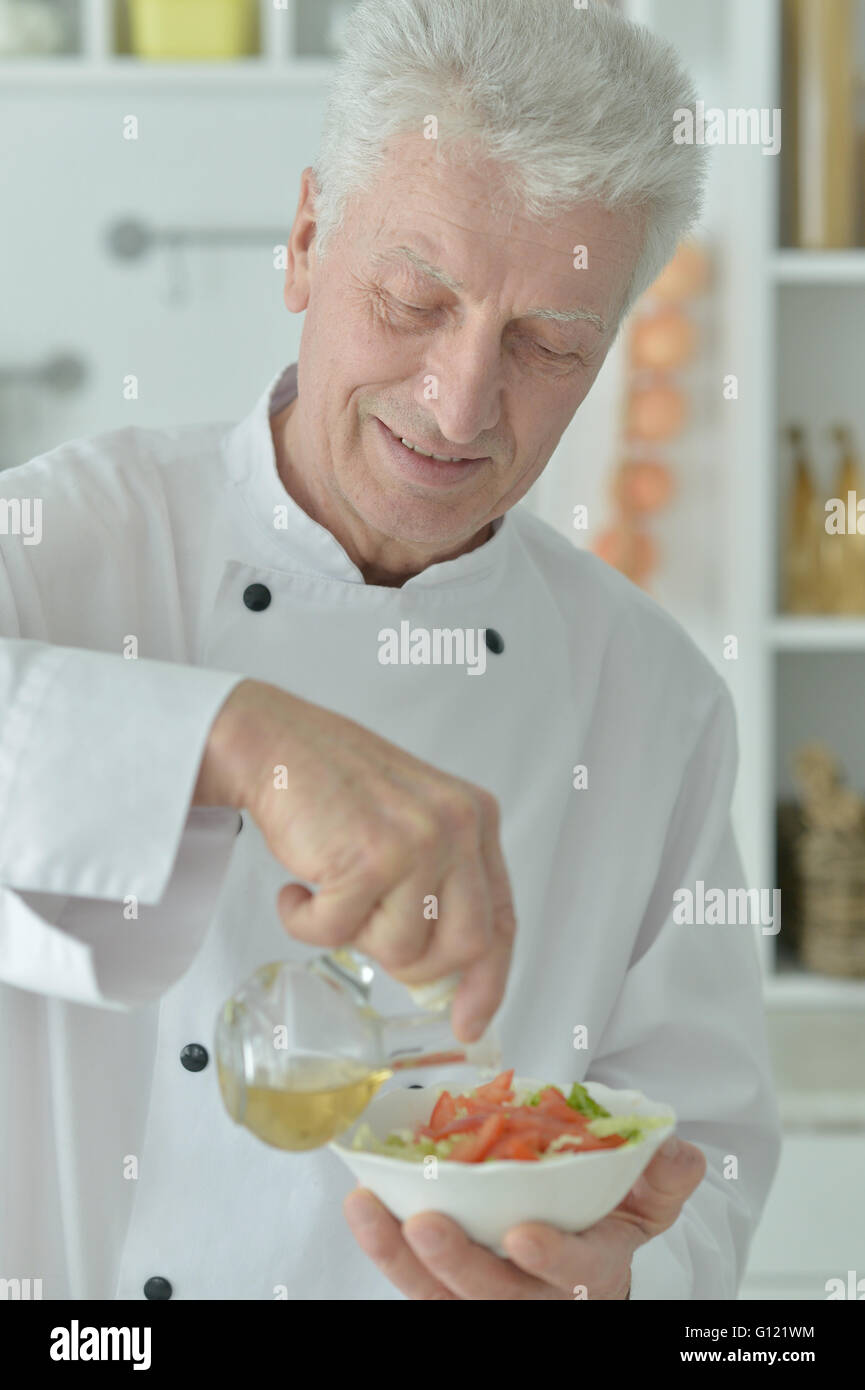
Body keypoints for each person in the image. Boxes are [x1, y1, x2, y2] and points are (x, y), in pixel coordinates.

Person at [0, 0, 780, 1301]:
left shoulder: (654, 699)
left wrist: (621, 1279)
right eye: (415, 299)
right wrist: (236, 738)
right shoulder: (60, 543)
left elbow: (706, 1144)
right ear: (307, 240)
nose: (460, 402)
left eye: (546, 345)